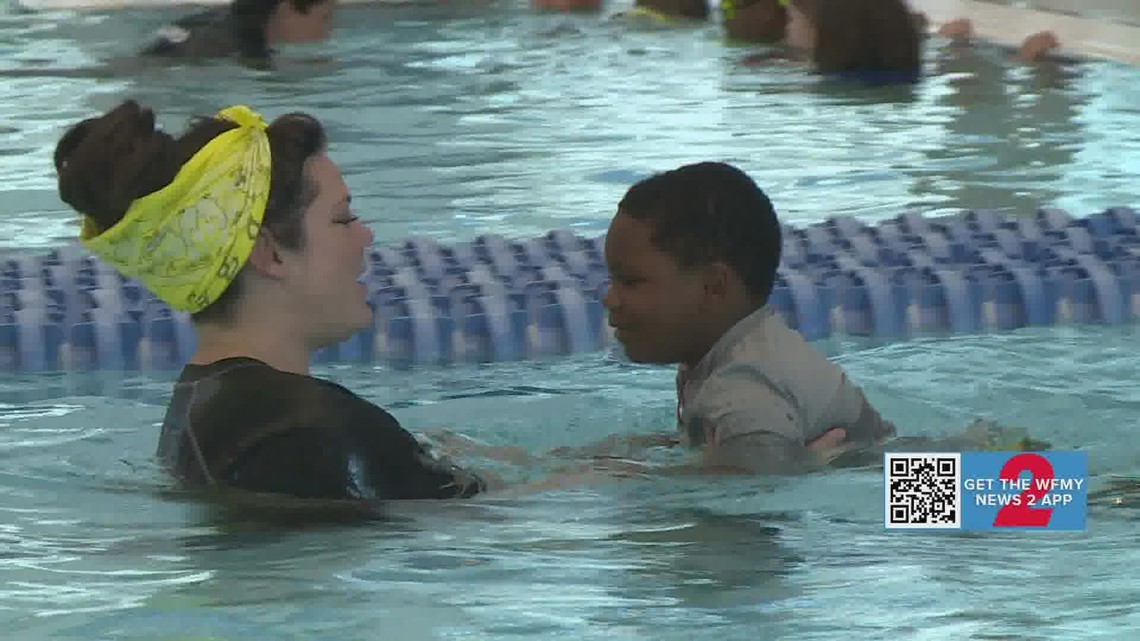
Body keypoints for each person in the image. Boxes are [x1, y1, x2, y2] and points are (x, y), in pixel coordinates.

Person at [53, 100, 488, 503]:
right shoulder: (309, 430)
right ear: (269, 253)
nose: (365, 235)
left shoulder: (205, 405)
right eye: (342, 218)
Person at [600, 161, 896, 475]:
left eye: (630, 282)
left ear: (714, 286)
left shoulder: (745, 384)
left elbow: (750, 492)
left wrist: (626, 477)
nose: (610, 299)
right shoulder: (725, 359)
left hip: (916, 490)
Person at [139, 0, 337, 67]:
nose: (328, 31)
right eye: (324, 18)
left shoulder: (229, 18)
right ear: (286, 10)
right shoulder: (228, 45)